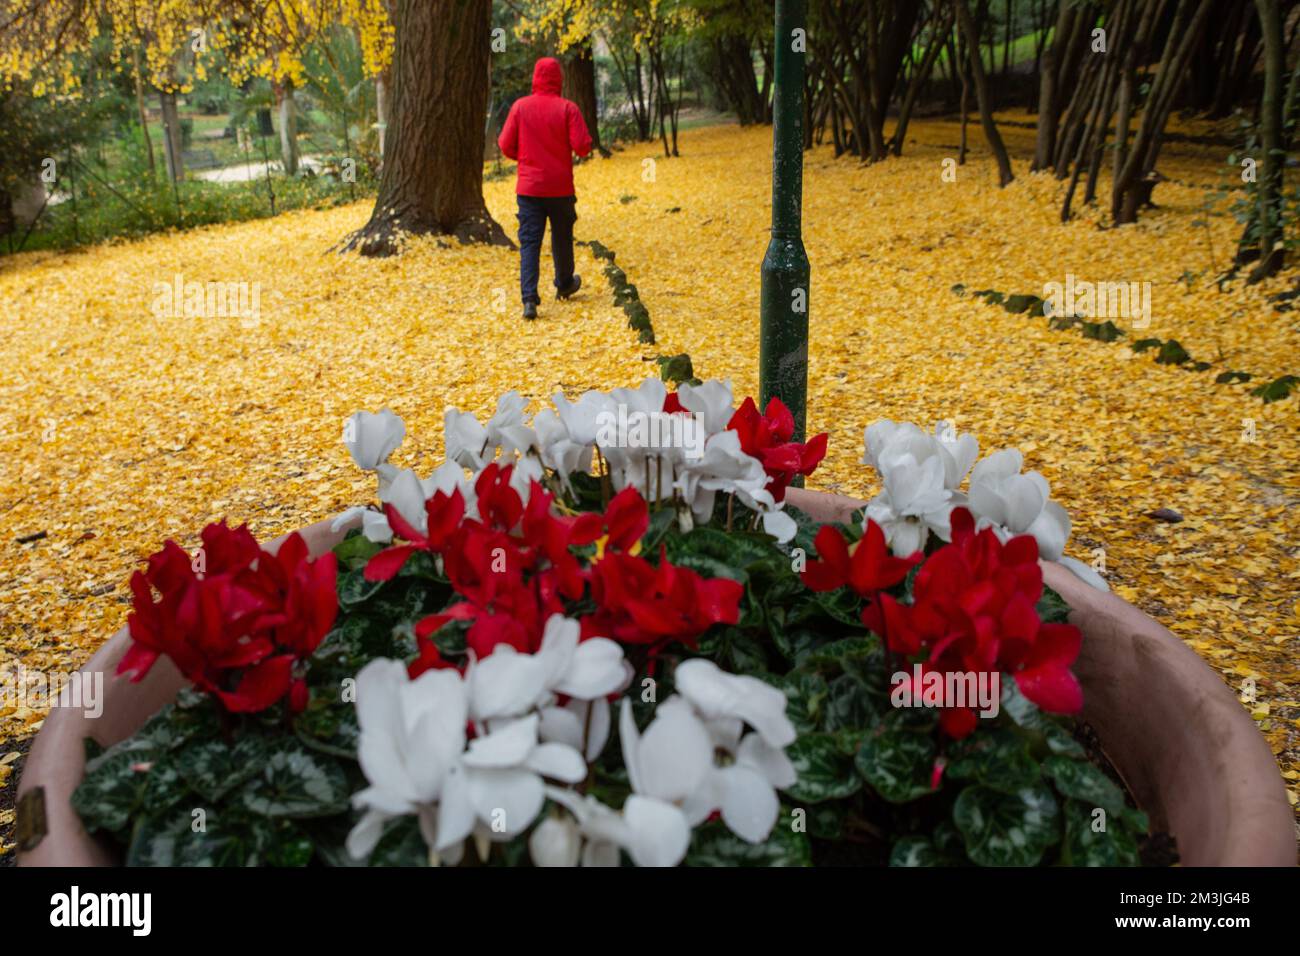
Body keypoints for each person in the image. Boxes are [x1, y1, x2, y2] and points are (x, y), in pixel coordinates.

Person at [498, 57, 593, 320]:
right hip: (560, 188)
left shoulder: (520, 107)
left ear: (535, 78)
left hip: (529, 189)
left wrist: (525, 158)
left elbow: (505, 145)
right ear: (559, 80)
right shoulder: (568, 108)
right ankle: (564, 283)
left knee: (530, 242)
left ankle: (529, 299)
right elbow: (582, 146)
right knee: (562, 236)